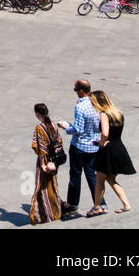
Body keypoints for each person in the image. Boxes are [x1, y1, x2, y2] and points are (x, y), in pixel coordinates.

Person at [57, 79, 103, 217]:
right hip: (94, 147)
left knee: (75, 175)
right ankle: (100, 204)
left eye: (76, 90)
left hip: (80, 147)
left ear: (81, 91)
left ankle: (72, 204)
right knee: (92, 176)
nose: (75, 92)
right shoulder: (96, 103)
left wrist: (65, 126)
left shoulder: (80, 107)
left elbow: (78, 129)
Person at [86, 90, 134, 216]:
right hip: (119, 148)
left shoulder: (104, 114)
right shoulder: (118, 113)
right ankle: (126, 205)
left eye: (92, 101)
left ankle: (97, 207)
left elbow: (105, 133)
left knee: (99, 180)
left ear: (98, 102)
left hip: (108, 151)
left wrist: (101, 142)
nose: (91, 104)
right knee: (111, 179)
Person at [30, 103, 63, 224]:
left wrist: (43, 164)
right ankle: (56, 210)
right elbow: (59, 142)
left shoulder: (40, 128)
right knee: (52, 185)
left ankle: (44, 214)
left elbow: (41, 148)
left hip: (45, 162)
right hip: (54, 161)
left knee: (41, 186)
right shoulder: (53, 125)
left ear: (37, 114)